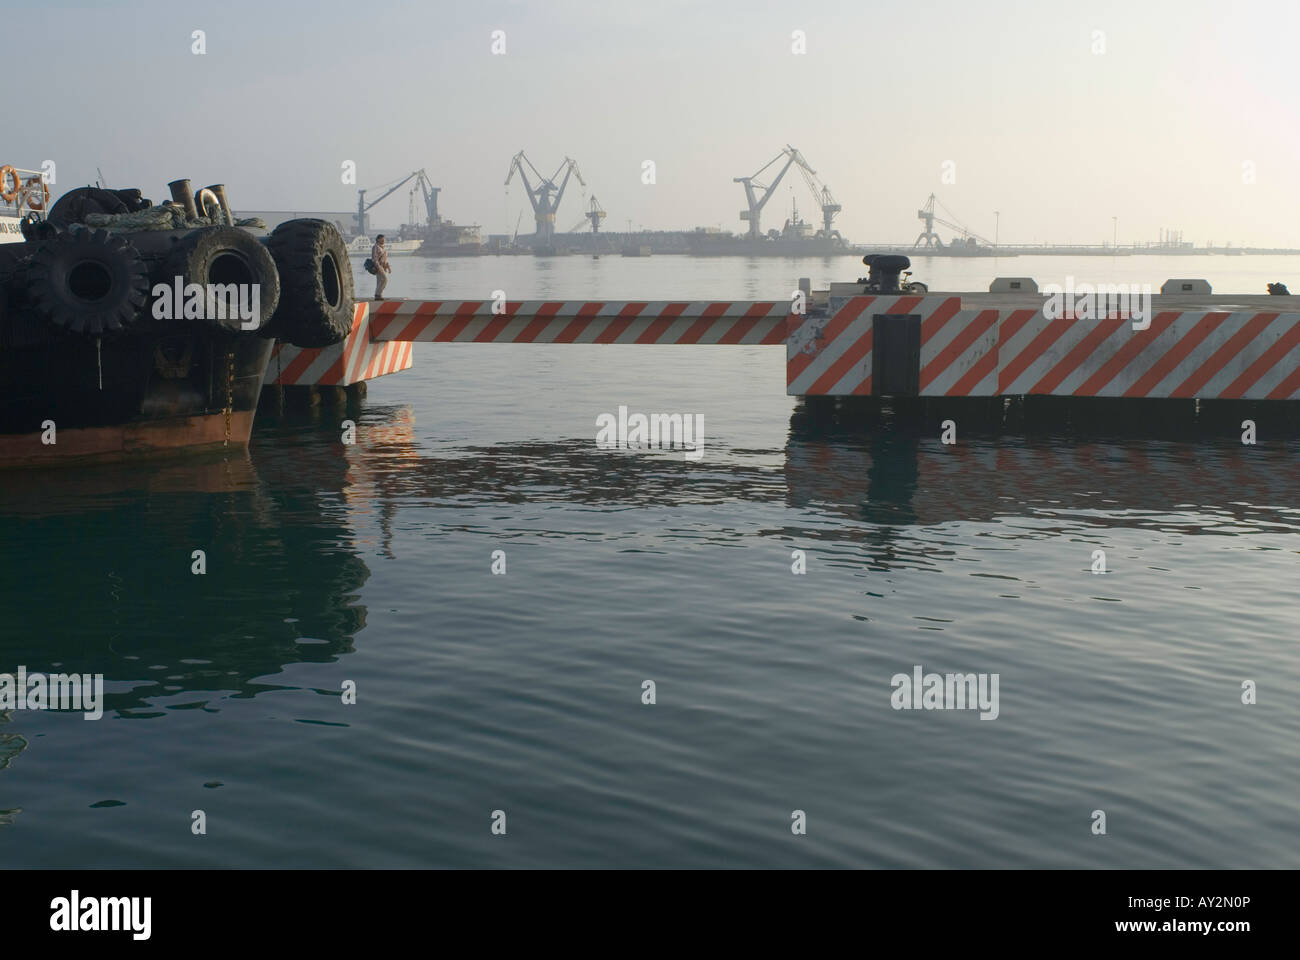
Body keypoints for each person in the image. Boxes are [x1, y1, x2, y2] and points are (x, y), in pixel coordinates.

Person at [371, 234, 392, 299]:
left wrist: (388, 267)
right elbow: (374, 258)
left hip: (383, 266)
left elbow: (385, 258)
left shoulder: (382, 247)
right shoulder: (375, 247)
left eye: (384, 239)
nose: (383, 240)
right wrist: (378, 267)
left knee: (379, 281)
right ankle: (378, 294)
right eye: (382, 239)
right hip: (378, 266)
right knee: (385, 280)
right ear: (378, 239)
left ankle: (378, 296)